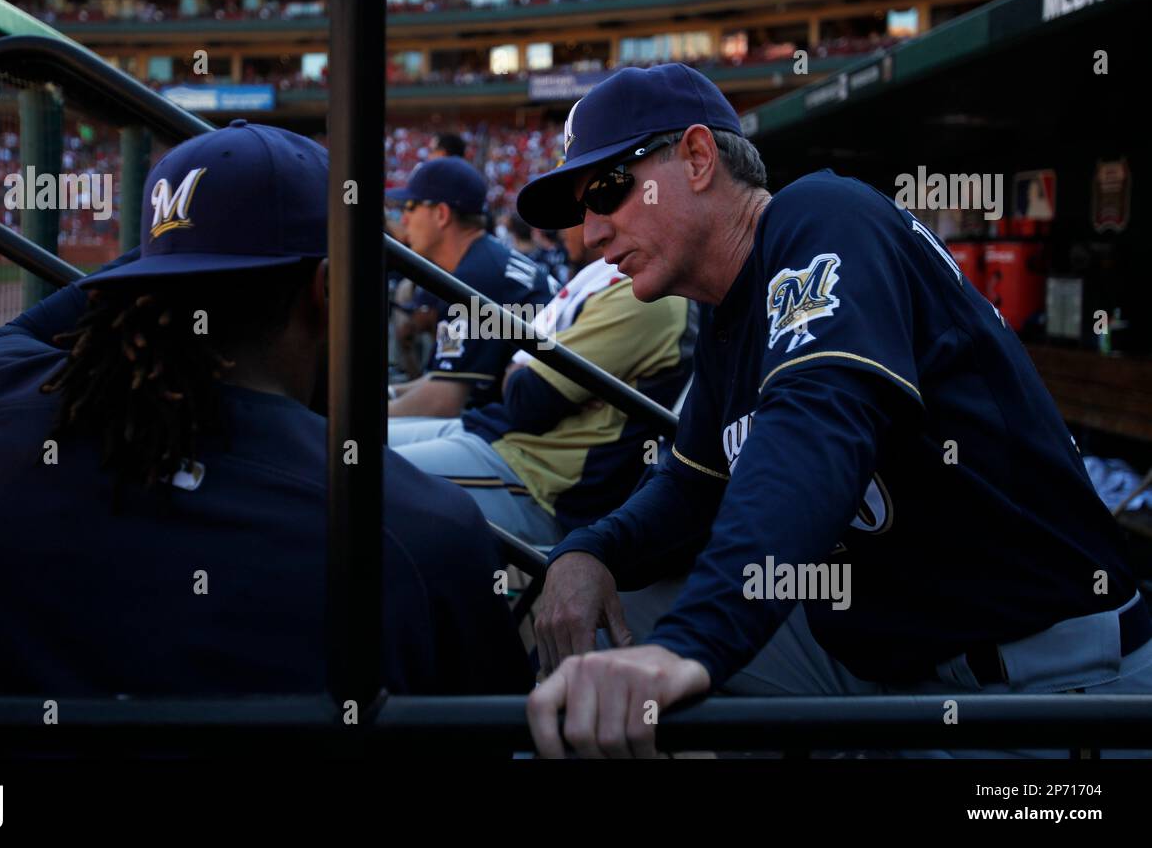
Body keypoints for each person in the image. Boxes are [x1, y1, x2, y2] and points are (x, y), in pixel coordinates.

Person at [515, 63, 1152, 758]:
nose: (591, 234)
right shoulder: (726, 312)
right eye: (583, 209)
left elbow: (817, 425)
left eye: (608, 190)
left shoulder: (824, 215)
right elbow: (689, 487)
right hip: (879, 659)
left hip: (1045, 676)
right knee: (584, 626)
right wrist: (590, 550)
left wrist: (692, 646)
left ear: (698, 158)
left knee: (654, 654)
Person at [0, 120, 532, 697]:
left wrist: (169, 258)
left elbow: (9, 340)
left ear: (142, 284)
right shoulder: (424, 529)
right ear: (327, 290)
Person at [389, 221, 692, 546]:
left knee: (355, 474)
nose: (563, 229)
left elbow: (521, 398)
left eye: (579, 212)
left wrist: (525, 369)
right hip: (495, 431)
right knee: (350, 440)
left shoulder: (644, 295)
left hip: (540, 479)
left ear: (441, 213)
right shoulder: (598, 277)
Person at [387, 157, 555, 417]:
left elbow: (443, 401)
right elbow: (443, 377)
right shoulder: (484, 260)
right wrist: (390, 393)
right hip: (535, 410)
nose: (404, 220)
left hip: (536, 432)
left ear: (441, 214)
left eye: (410, 206)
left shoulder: (477, 275)